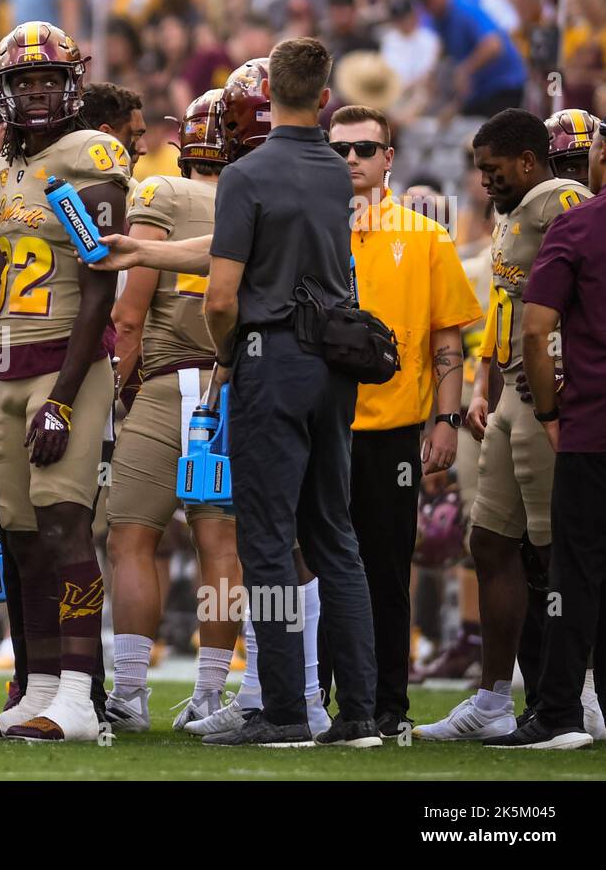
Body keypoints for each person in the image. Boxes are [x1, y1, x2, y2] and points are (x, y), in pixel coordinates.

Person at [202, 37, 379, 748]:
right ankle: (360, 714)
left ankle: (281, 714)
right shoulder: (341, 175)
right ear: (325, 99)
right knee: (334, 536)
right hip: (334, 363)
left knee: (269, 543)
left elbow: (221, 294)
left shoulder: (246, 173)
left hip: (269, 358)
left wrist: (225, 353)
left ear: (266, 90)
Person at [0, 21, 128, 742]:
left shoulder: (91, 154)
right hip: (7, 368)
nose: (32, 93)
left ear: (71, 86)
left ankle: (83, 701)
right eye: (21, 81)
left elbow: (99, 287)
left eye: (45, 81)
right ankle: (44, 689)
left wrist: (61, 398)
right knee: (20, 534)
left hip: (68, 364)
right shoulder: (0, 168)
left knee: (65, 524)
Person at [416, 109, 591, 742]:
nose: (484, 181)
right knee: (490, 542)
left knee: (556, 554)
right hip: (513, 390)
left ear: (527, 159)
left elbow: (587, 289)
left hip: (548, 390)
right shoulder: (514, 210)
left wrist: (565, 375)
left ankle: (581, 698)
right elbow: (505, 307)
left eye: (493, 169)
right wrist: (488, 385)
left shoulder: (560, 199)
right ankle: (493, 700)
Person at [321, 104, 481, 737]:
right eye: (339, 150)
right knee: (319, 568)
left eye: (364, 149)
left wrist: (445, 420)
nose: (352, 160)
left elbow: (448, 340)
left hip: (390, 431)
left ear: (389, 158)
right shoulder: (312, 230)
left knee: (386, 569)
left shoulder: (426, 236)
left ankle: (389, 706)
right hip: (320, 424)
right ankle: (315, 698)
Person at [102, 89, 239, 733]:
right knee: (221, 544)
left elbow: (130, 314)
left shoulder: (162, 193)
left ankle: (130, 695)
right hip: (231, 387)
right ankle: (212, 695)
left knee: (133, 539)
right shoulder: (256, 201)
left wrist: (125, 390)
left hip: (165, 383)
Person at [488, 119, 605, 749]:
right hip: (571, 415)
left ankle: (563, 708)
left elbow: (536, 332)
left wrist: (555, 411)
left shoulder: (575, 220)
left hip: (587, 426)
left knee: (575, 568)